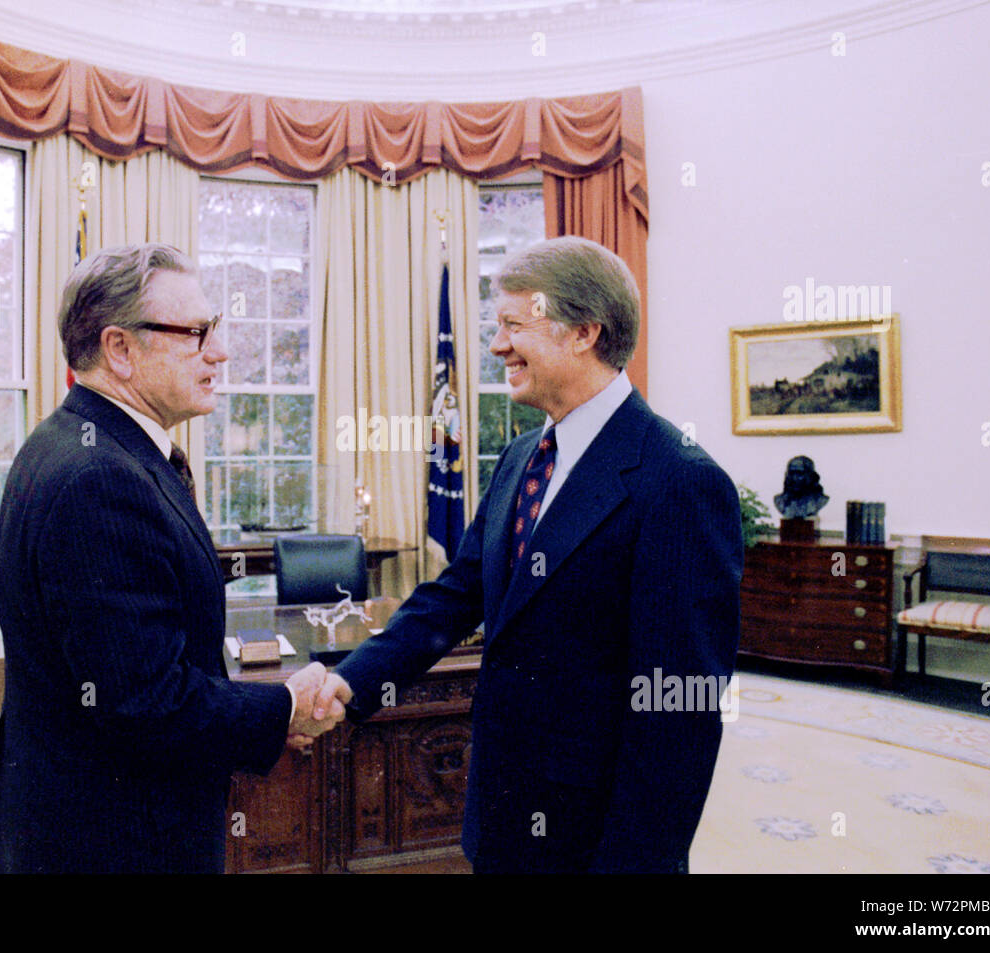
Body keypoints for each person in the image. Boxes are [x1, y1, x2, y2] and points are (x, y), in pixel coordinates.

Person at [308, 236, 743, 873]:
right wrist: (352, 678)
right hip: (501, 811)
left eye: (514, 325)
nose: (495, 345)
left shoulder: (679, 481)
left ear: (584, 333)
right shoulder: (520, 458)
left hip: (592, 838)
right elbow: (456, 595)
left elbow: (680, 708)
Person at [0, 243, 338, 874]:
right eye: (197, 333)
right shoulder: (98, 477)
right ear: (119, 349)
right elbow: (145, 702)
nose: (220, 352)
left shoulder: (81, 444)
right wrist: (285, 707)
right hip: (109, 841)